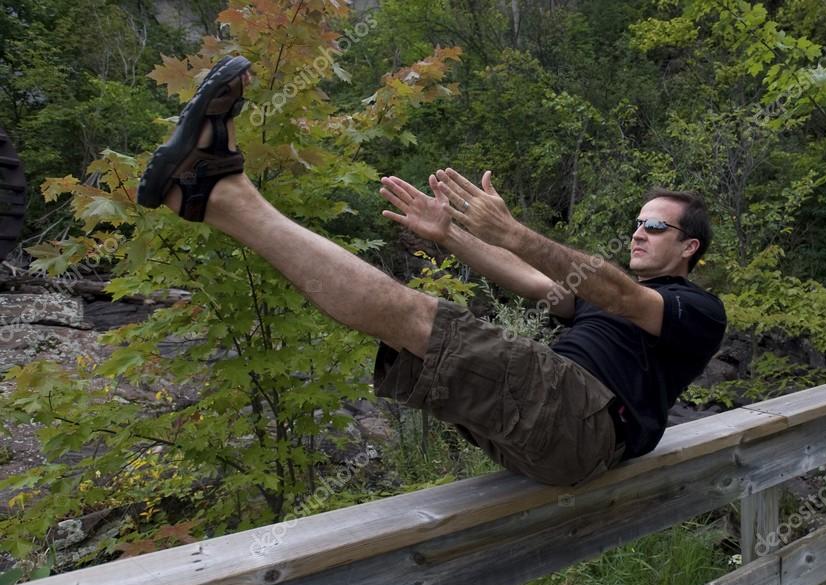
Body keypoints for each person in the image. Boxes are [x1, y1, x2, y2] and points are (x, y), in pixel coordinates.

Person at [137, 56, 727, 487]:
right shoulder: (603, 299)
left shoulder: (694, 311)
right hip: (551, 422)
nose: (638, 232)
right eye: (638, 222)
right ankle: (213, 197)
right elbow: (529, 280)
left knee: (418, 315)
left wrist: (515, 230)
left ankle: (222, 195)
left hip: (587, 417)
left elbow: (623, 297)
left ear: (688, 248)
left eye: (655, 227)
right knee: (406, 327)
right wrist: (454, 235)